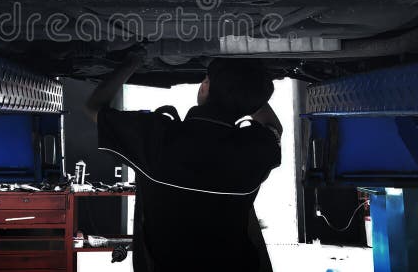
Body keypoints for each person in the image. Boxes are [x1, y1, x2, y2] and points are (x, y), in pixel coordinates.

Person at [85, 52, 282, 272]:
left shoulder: (156, 138)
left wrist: (132, 60)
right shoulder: (255, 152)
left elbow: (94, 107)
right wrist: (244, 92)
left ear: (205, 86)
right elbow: (274, 127)